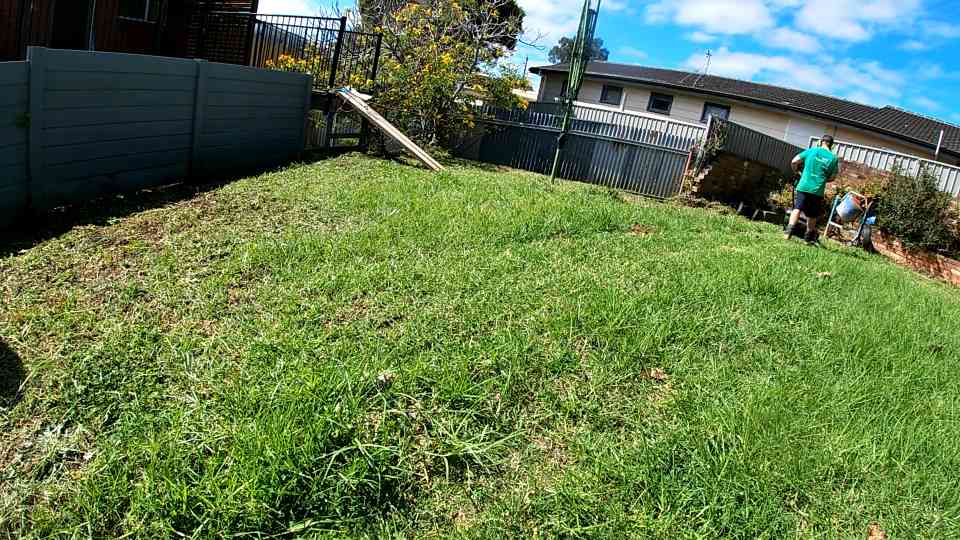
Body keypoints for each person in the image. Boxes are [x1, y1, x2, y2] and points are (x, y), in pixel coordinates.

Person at [785, 135, 840, 244]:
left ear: (820, 142)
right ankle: (807, 239)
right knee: (812, 215)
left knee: (797, 208)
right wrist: (824, 180)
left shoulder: (812, 150)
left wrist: (797, 172)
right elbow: (833, 177)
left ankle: (788, 233)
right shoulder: (833, 158)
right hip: (817, 190)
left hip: (804, 186)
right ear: (832, 146)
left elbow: (794, 161)